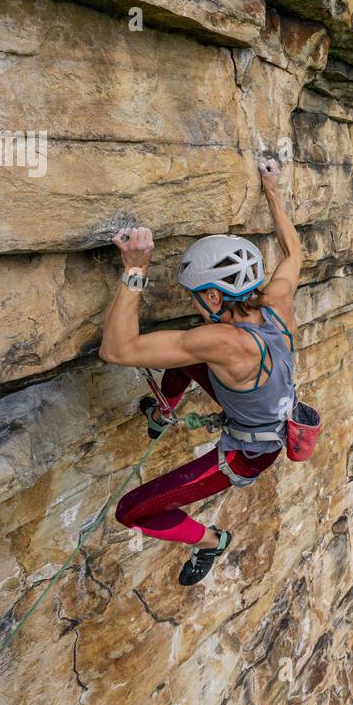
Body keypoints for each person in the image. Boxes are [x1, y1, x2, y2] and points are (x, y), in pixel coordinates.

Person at [99, 157, 302, 585]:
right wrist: (271, 191)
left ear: (213, 295)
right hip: (263, 404)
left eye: (195, 296)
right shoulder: (277, 301)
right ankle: (162, 412)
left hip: (246, 454)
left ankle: (209, 540)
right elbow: (294, 251)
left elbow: (118, 350)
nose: (193, 303)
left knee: (131, 511)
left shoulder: (222, 342)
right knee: (188, 351)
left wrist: (135, 269)